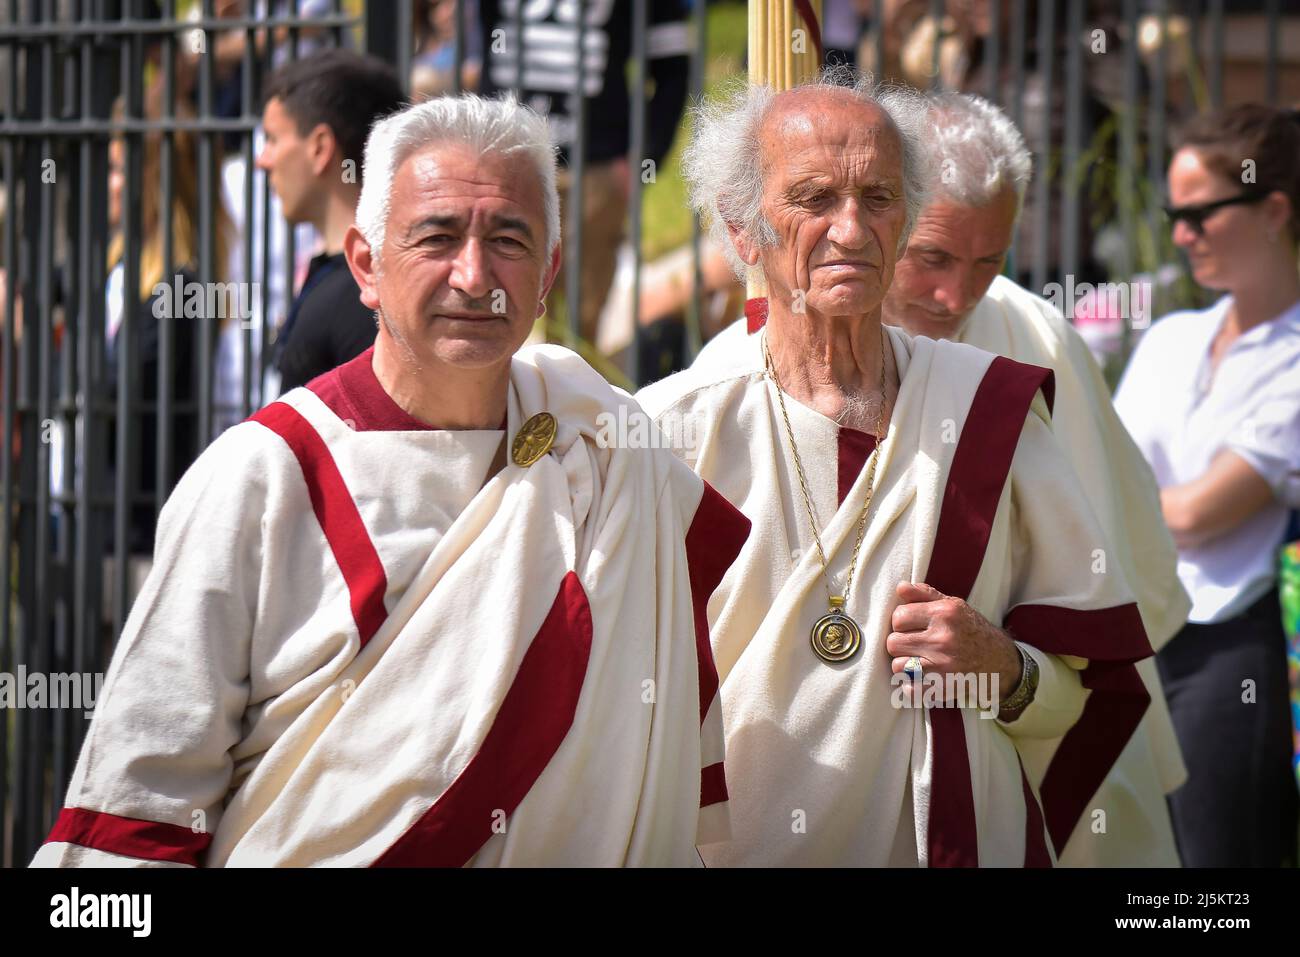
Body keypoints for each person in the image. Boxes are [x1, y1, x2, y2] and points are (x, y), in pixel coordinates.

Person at [33, 93, 748, 868]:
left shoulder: (610, 455)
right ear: (366, 265)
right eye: (437, 236)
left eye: (508, 239)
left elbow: (700, 716)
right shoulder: (263, 476)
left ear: (549, 272)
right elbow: (137, 814)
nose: (475, 277)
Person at [638, 69, 1154, 867]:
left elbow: (1082, 701)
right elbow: (616, 709)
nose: (851, 230)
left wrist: (1002, 666)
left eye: (878, 199)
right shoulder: (672, 429)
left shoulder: (995, 409)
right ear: (743, 231)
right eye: (814, 199)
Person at [873, 93, 1189, 867]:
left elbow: (1113, 554)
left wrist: (1018, 663)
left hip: (1025, 712)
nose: (959, 296)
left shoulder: (1035, 335)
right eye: (935, 258)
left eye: (990, 261)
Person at [1115, 103, 1300, 868]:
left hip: (1231, 648)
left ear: (1275, 209)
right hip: (1129, 642)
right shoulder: (1169, 336)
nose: (1181, 233)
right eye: (1172, 214)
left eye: (1201, 213)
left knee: (1215, 879)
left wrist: (1118, 503)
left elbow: (1195, 512)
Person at [477, 0, 691, 347]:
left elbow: (673, 67)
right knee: (482, 293)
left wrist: (641, 161)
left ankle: (563, 398)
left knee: (579, 320)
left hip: (595, 166)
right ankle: (487, 397)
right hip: (498, 154)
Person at [256, 49, 408, 393]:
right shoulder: (345, 278)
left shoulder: (367, 295)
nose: (261, 160)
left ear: (320, 148)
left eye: (272, 139)